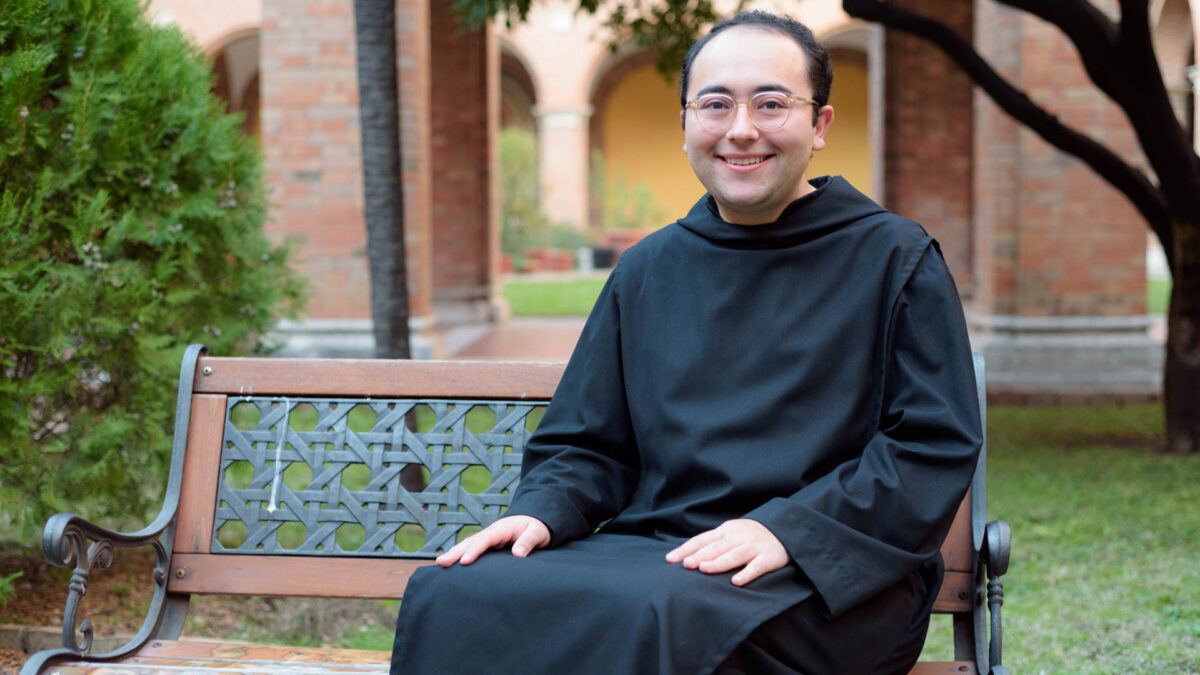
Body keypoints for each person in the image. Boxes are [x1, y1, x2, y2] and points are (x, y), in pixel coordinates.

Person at [390, 10, 982, 674]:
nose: (741, 129)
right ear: (686, 125)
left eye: (771, 104)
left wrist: (789, 531)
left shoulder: (895, 258)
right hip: (661, 550)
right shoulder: (648, 268)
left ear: (819, 126)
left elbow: (930, 444)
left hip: (827, 573)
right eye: (716, 104)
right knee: (455, 592)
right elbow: (587, 441)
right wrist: (544, 512)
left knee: (662, 612)